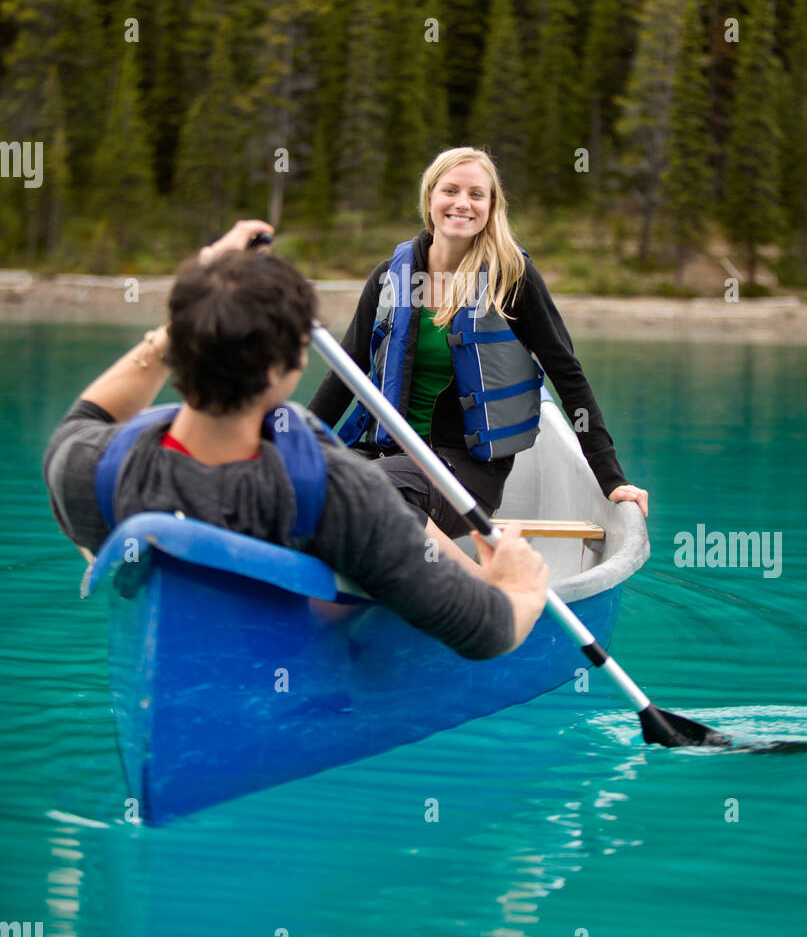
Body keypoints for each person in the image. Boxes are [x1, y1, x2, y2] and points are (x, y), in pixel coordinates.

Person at [43, 220, 548, 662]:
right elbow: (490, 631)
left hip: (182, 667)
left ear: (179, 346)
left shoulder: (85, 468)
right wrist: (517, 583)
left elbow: (89, 414)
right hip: (278, 660)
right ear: (287, 369)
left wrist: (200, 298)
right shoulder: (346, 499)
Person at [309, 147, 648, 567]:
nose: (462, 203)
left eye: (476, 194)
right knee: (301, 486)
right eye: (450, 190)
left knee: (370, 490)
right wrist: (291, 443)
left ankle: (482, 587)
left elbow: (567, 374)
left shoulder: (512, 278)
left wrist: (611, 477)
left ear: (492, 206)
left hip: (463, 472)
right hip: (384, 455)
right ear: (430, 199)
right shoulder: (389, 277)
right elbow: (344, 375)